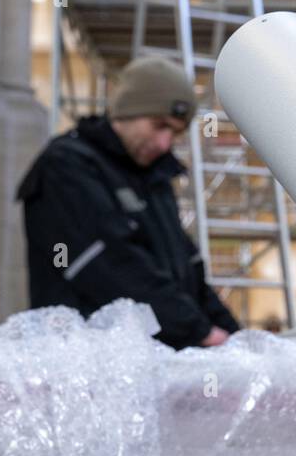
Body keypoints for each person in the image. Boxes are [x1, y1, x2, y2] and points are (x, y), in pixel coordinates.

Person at [17, 56, 239, 349]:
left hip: (154, 363)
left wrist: (236, 337)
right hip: (88, 365)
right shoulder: (66, 167)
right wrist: (199, 332)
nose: (164, 143)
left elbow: (188, 272)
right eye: (159, 125)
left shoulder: (153, 178)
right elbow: (111, 267)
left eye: (174, 132)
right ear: (127, 112)